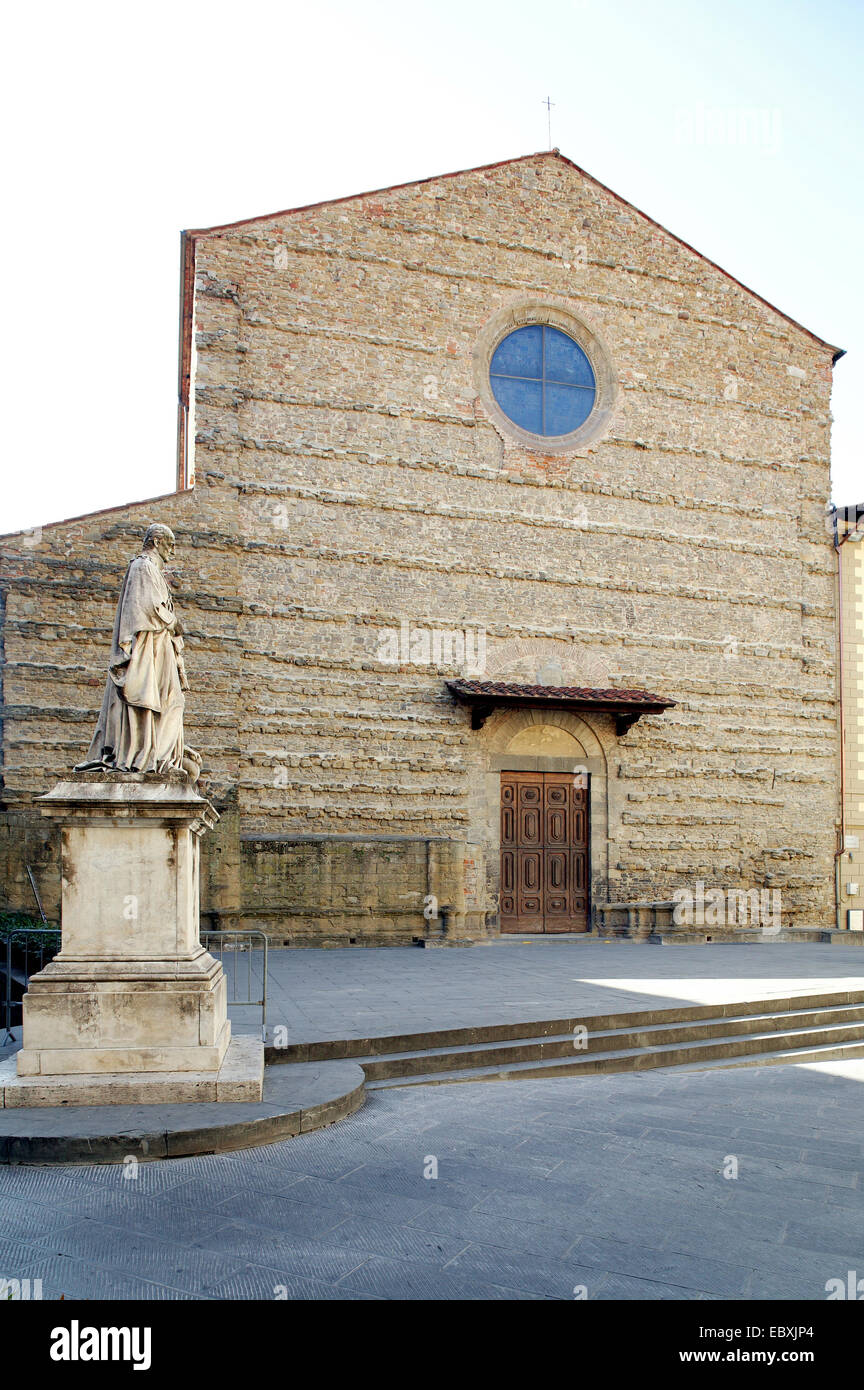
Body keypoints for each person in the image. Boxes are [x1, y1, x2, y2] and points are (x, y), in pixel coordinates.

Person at [75, 523, 201, 779]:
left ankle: (162, 754)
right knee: (162, 700)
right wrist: (174, 622)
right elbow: (146, 608)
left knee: (173, 701)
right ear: (156, 541)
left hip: (159, 647)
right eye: (171, 545)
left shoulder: (152, 570)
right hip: (148, 648)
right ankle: (151, 756)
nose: (173, 552)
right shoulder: (142, 566)